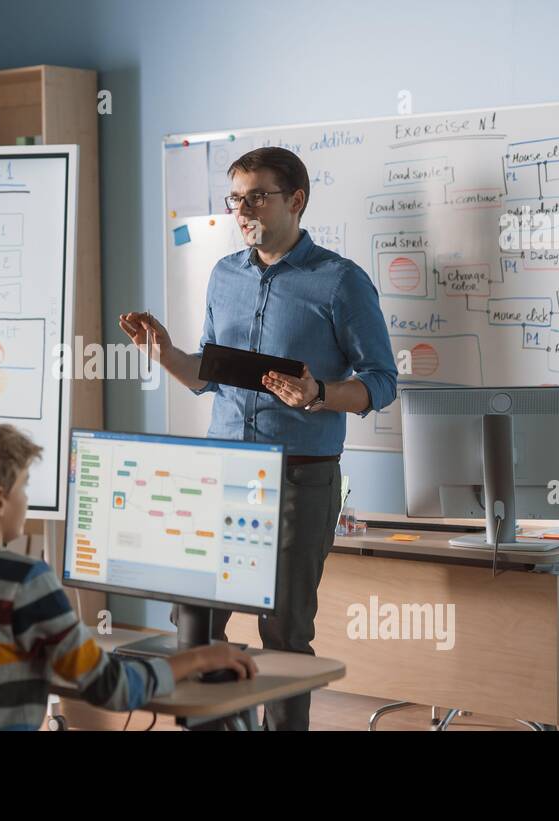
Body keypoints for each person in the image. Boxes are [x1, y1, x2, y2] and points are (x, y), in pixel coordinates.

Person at [119, 147, 397, 730]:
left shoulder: (340, 281)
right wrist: (163, 352)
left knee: (285, 632)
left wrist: (318, 393)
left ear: (295, 201)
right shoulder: (225, 275)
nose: (243, 209)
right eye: (236, 198)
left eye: (257, 196)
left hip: (301, 475)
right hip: (220, 474)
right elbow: (207, 378)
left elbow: (381, 382)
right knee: (194, 622)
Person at [0, 413, 258, 730]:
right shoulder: (25, 582)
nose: (27, 500)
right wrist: (200, 659)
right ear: (0, 500)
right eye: (23, 488)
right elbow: (112, 688)